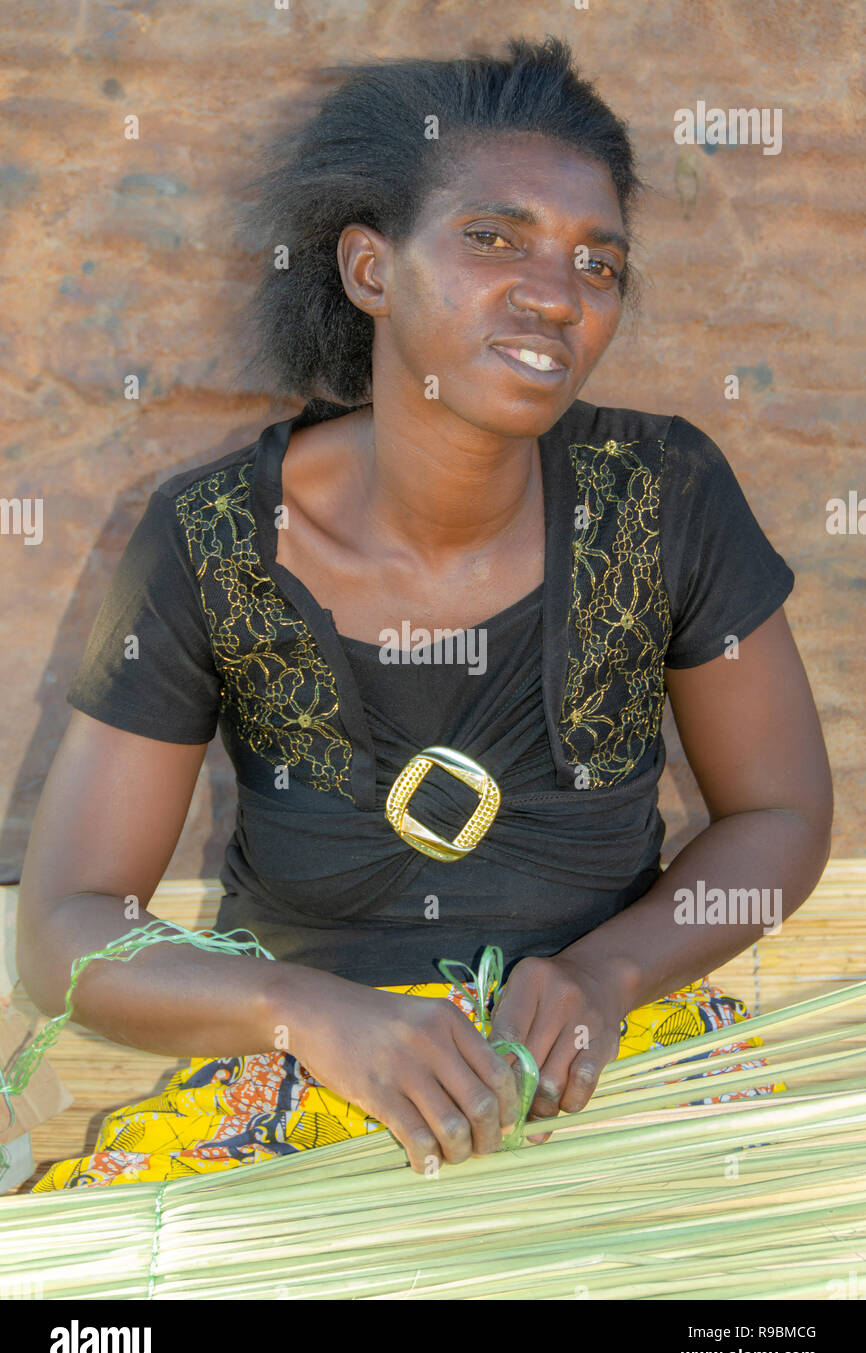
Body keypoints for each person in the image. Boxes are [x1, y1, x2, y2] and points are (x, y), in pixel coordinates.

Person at [17, 38, 832, 1190]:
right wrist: (307, 1013)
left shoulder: (661, 497)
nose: (553, 293)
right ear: (369, 269)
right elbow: (62, 929)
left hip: (605, 1074)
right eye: (493, 238)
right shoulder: (211, 542)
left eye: (596, 263)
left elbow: (781, 810)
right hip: (309, 1099)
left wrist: (605, 974)